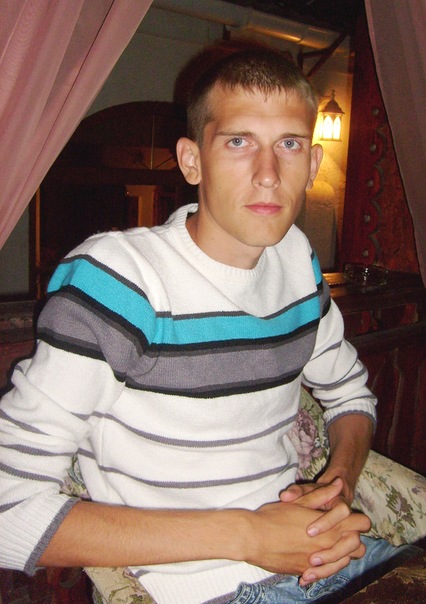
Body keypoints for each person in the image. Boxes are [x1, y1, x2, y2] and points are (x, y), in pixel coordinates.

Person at [0, 47, 416, 604]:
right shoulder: (120, 280)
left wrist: (334, 490)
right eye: (238, 142)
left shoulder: (296, 260)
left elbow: (351, 395)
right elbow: (7, 513)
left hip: (333, 561)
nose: (268, 175)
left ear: (313, 163)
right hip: (210, 590)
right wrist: (249, 537)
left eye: (289, 145)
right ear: (192, 161)